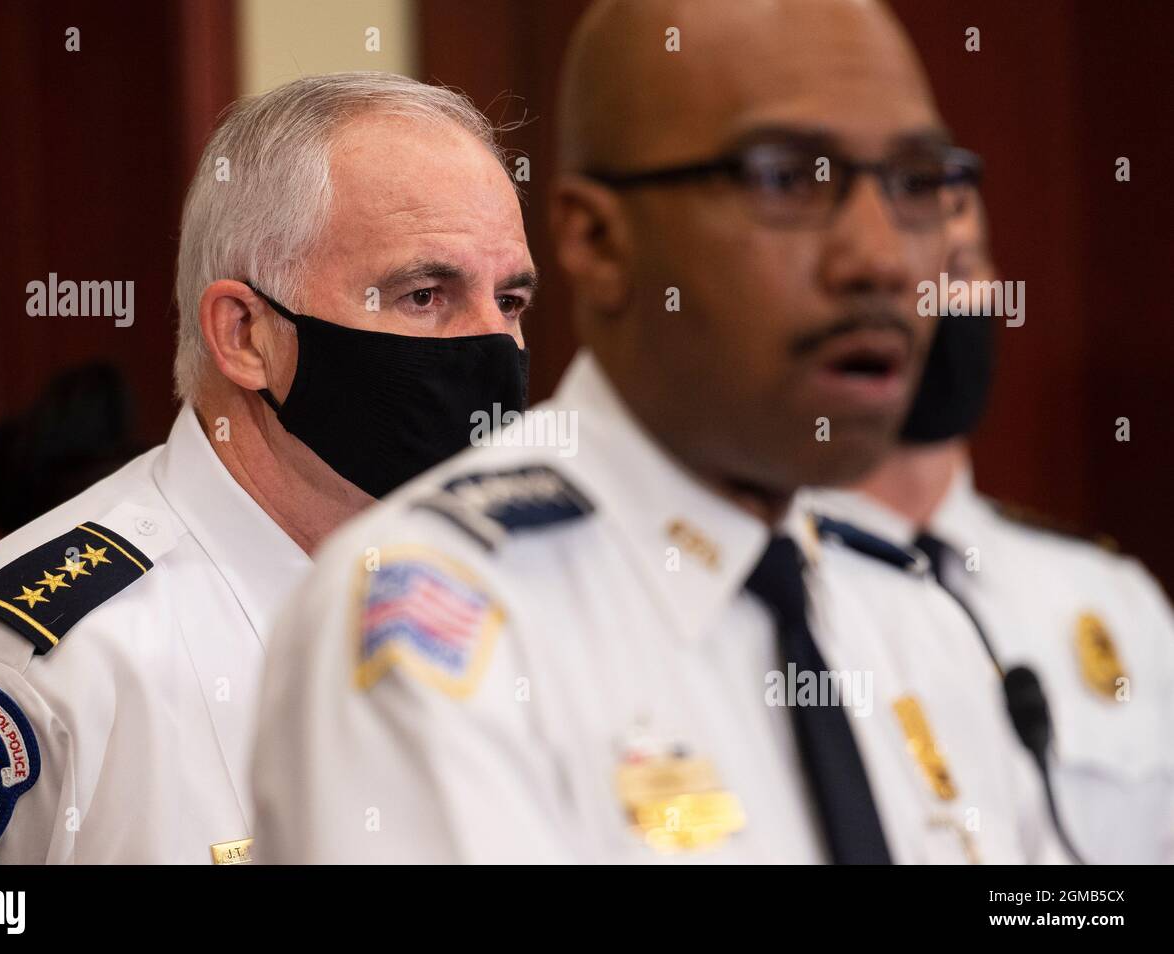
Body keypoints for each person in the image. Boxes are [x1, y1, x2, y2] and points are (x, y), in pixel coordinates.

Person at [252, 0, 1063, 863]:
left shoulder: (918, 615)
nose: (883, 259)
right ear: (598, 242)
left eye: (913, 183)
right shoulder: (443, 624)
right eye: (786, 179)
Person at [0, 72, 535, 865]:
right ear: (247, 334)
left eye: (513, 302)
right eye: (425, 295)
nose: (493, 346)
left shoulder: (518, 613)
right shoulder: (23, 684)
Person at [805, 194, 1174, 864]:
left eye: (963, 266)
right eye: (917, 272)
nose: (944, 300)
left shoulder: (1112, 596)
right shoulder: (784, 598)